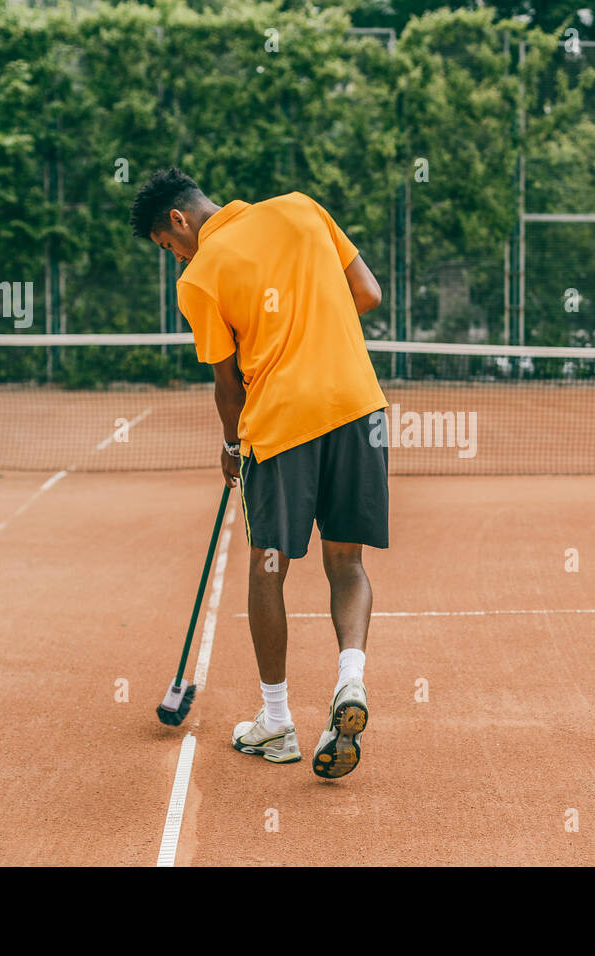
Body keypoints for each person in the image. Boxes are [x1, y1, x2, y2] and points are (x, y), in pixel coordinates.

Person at [130, 168, 388, 780]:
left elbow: (228, 384)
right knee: (346, 564)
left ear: (178, 220)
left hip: (281, 427)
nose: (176, 259)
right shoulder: (301, 208)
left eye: (170, 248)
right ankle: (350, 679)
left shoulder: (200, 279)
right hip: (357, 407)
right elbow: (369, 294)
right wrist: (314, 329)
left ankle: (276, 724)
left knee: (267, 569)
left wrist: (229, 445)